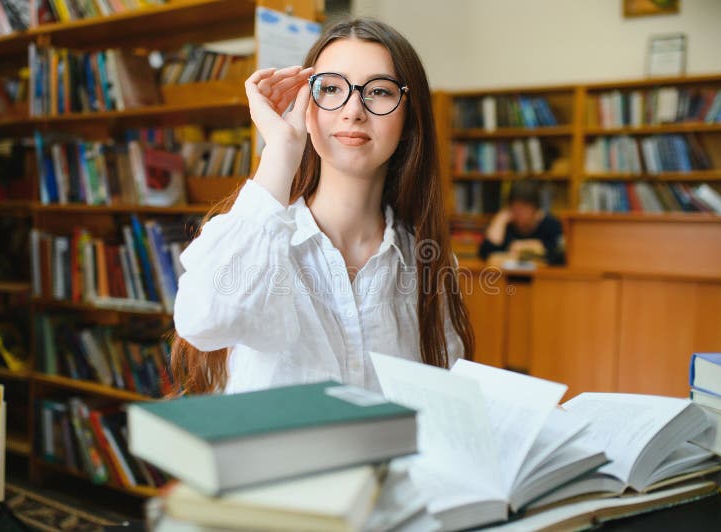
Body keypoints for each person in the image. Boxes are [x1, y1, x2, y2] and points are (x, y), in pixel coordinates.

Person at [169, 18, 475, 395]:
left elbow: (444, 401)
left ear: (409, 117)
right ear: (306, 105)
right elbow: (204, 320)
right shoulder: (260, 239)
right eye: (330, 88)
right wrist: (280, 152)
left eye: (379, 91)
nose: (353, 110)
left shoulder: (427, 259)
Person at [478, 180, 564, 265]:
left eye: (524, 207)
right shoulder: (506, 224)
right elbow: (485, 254)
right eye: (515, 207)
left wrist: (527, 246)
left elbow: (559, 256)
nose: (519, 212)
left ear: (535, 208)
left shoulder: (551, 225)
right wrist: (499, 223)